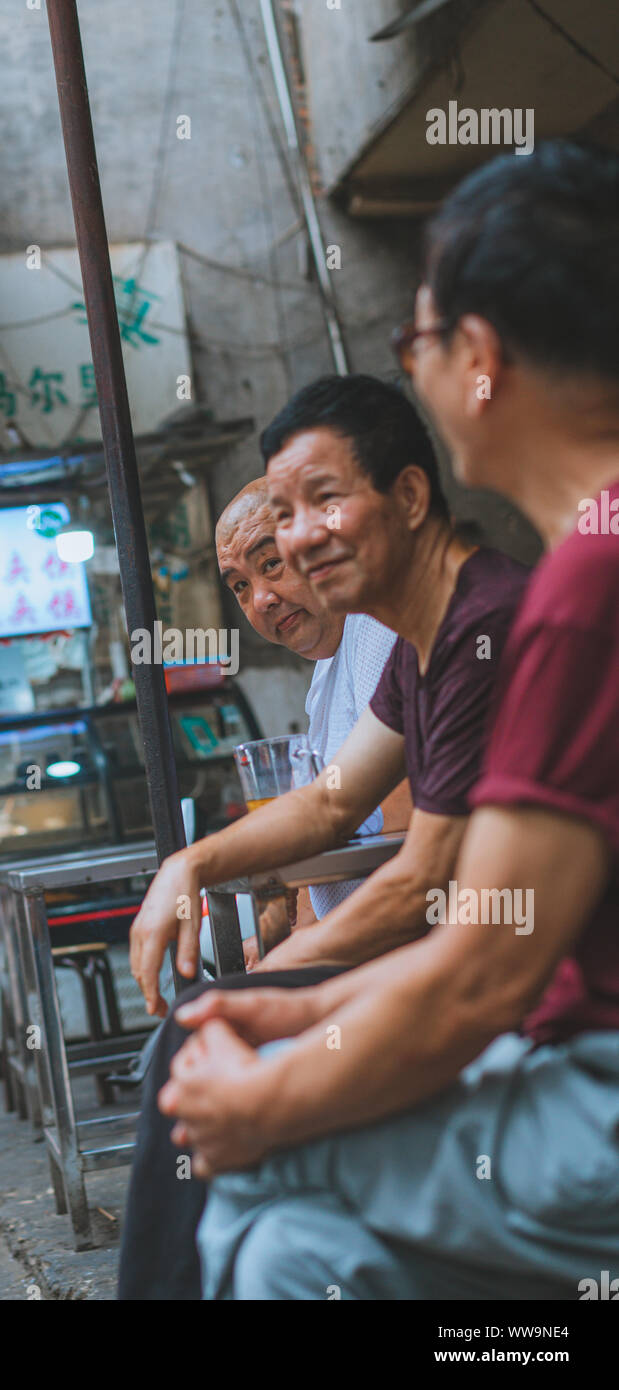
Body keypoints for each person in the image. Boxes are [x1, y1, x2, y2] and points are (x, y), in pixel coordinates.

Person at [162, 139, 619, 1300]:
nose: (298, 549)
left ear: (478, 358)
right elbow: (334, 805)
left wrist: (266, 1085)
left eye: (418, 342)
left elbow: (476, 961)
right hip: (552, 1048)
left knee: (252, 1175)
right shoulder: (565, 574)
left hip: (587, 1087)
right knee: (288, 1253)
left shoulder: (560, 599)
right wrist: (258, 986)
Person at [120, 374, 530, 1299]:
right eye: (286, 522)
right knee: (264, 1236)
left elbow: (423, 873)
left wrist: (267, 982)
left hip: (521, 1012)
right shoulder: (420, 639)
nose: (302, 544)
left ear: (412, 495)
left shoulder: (482, 626)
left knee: (195, 1059)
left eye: (322, 504)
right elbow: (329, 805)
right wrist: (190, 863)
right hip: (450, 974)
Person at [215, 477, 399, 954]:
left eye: (271, 564)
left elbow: (406, 822)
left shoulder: (379, 625)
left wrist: (311, 951)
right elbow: (323, 850)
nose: (261, 600)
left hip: (399, 949)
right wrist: (289, 938)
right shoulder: (325, 672)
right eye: (240, 585)